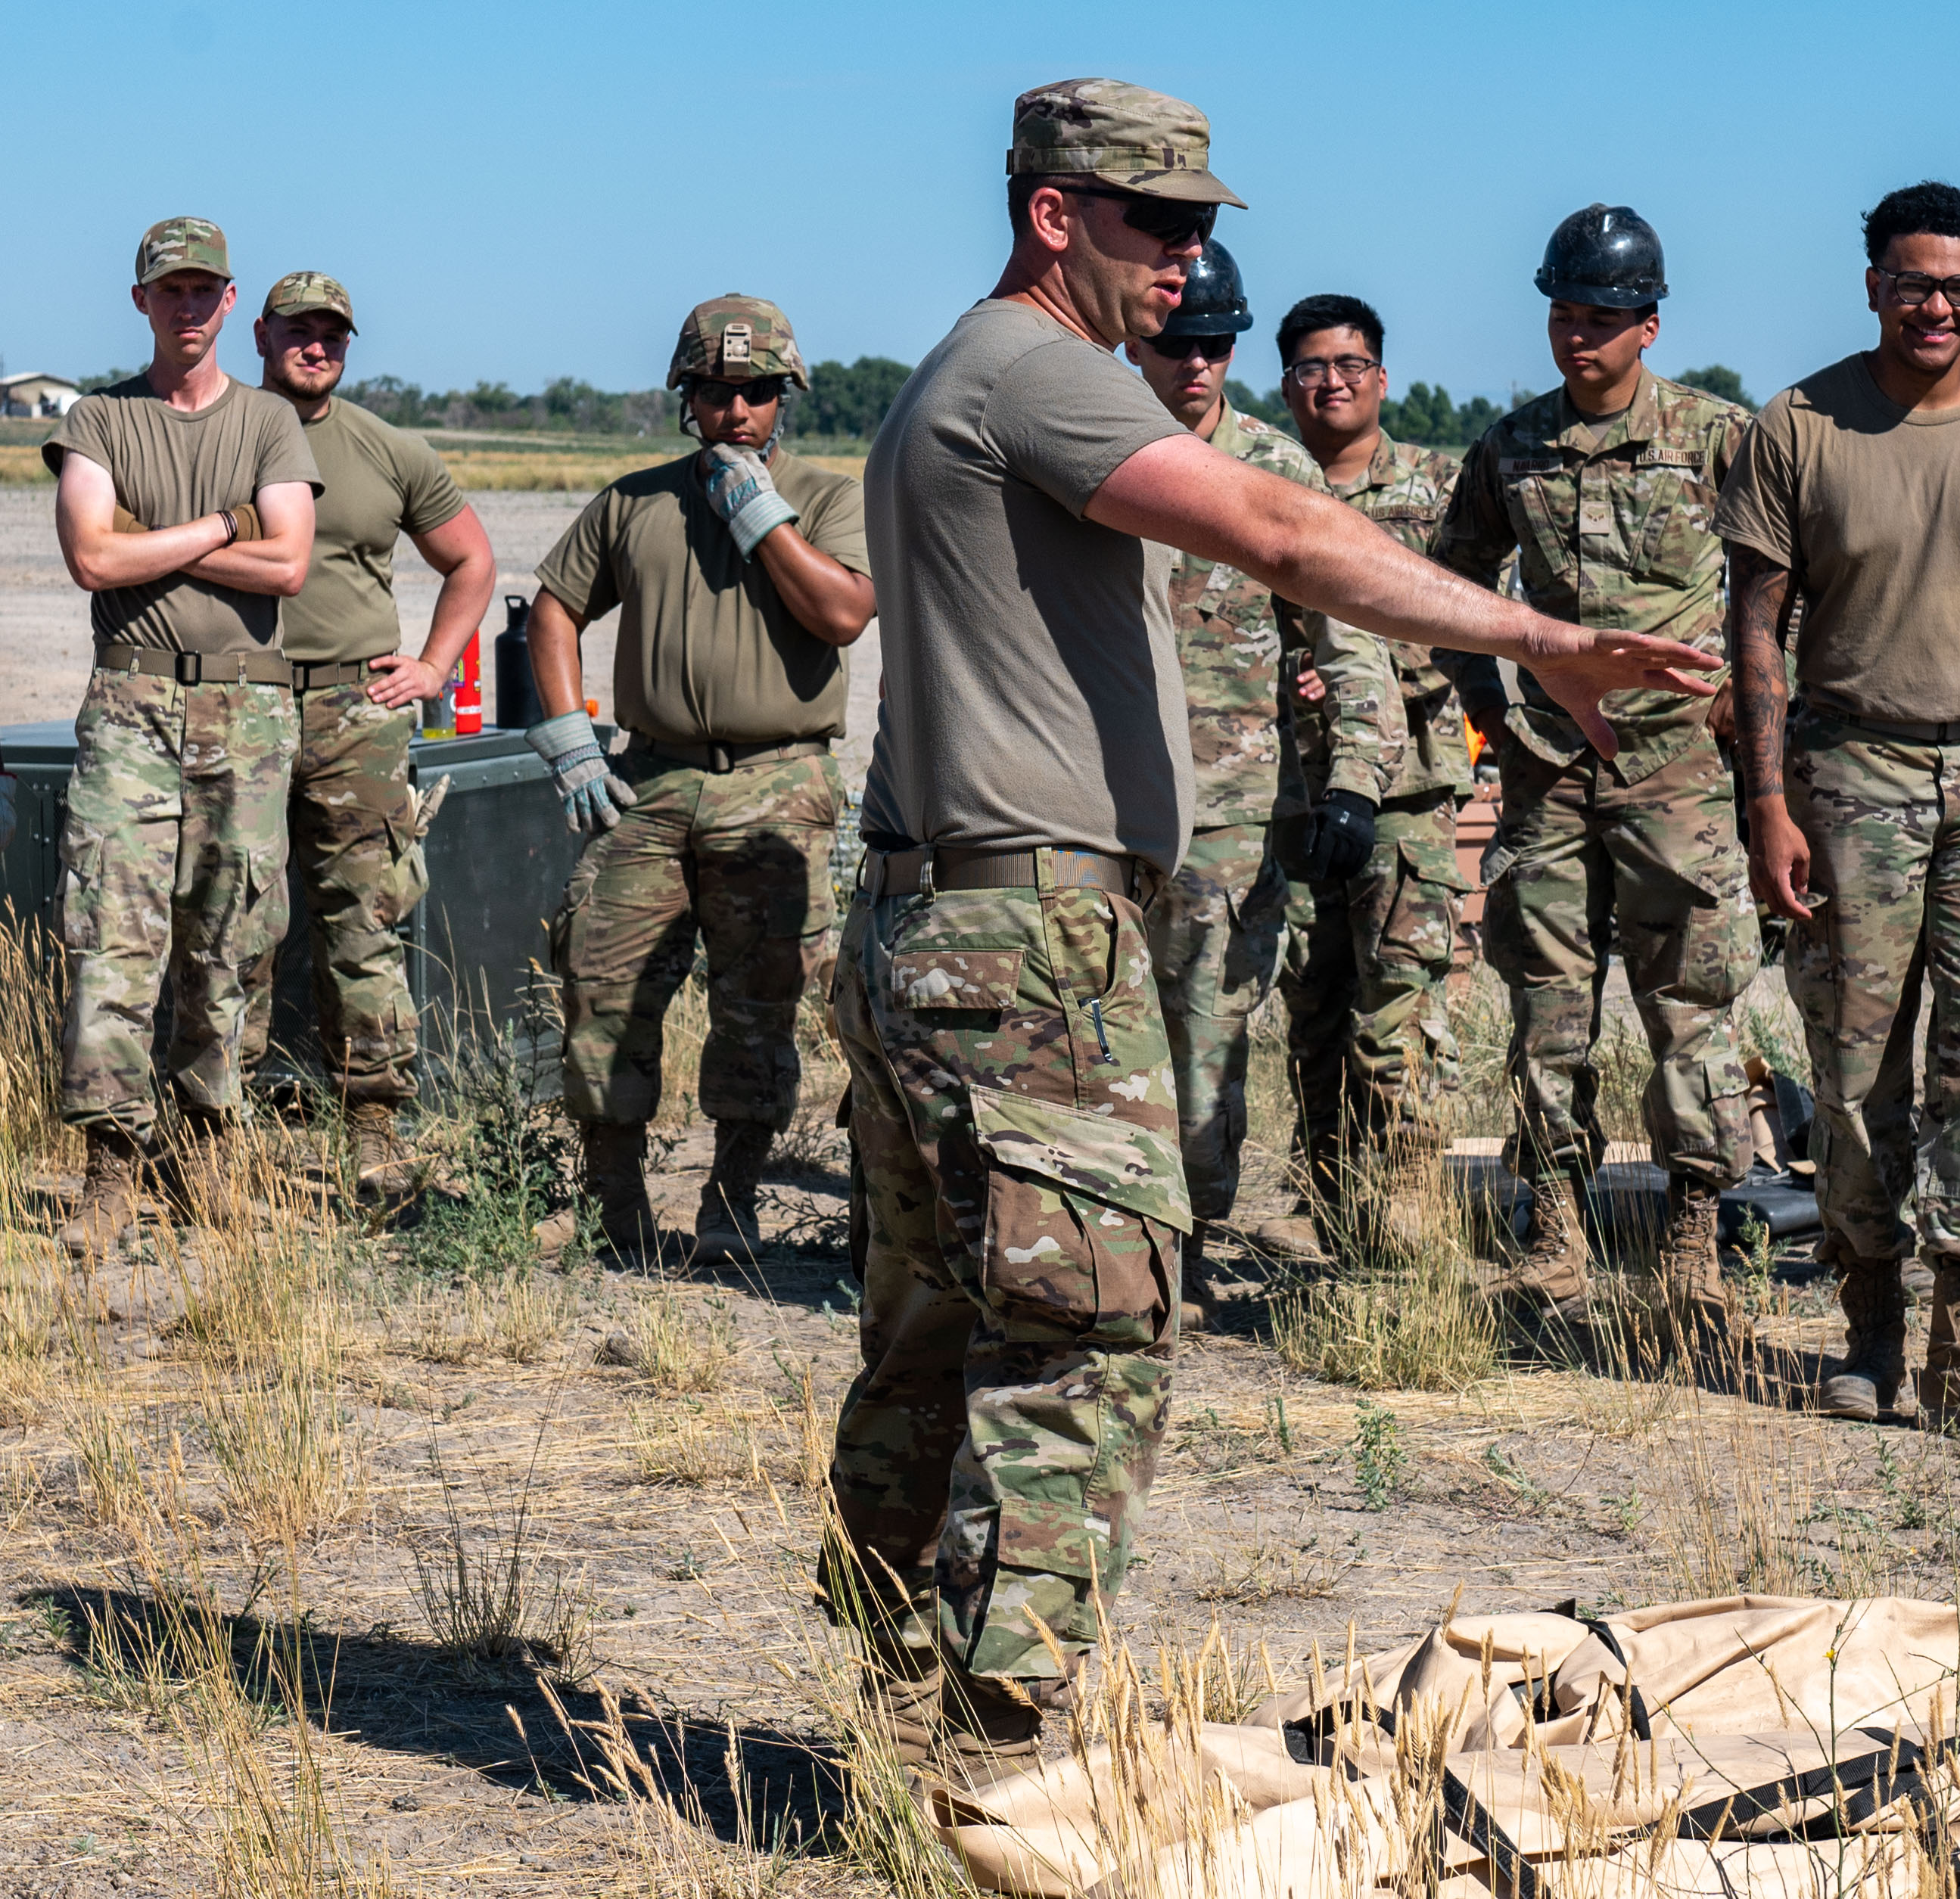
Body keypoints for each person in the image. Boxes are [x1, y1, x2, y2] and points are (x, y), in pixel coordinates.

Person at [829, 76, 1714, 1779]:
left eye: (1198, 228)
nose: (1184, 259)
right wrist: (1542, 642)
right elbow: (1287, 531)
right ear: (1051, 216)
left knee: (941, 1330)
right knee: (1086, 1336)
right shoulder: (1033, 370)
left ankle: (890, 1714)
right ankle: (992, 1754)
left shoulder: (971, 372)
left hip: (949, 921)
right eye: (1154, 223)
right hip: (1024, 945)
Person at [1718, 180, 1960, 1433]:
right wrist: (1766, 802)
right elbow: (1755, 629)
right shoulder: (1796, 426)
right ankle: (1871, 1330)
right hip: (1850, 776)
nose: (1935, 307)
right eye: (1913, 284)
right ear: (1872, 285)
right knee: (1852, 1067)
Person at [1430, 205, 1760, 1338]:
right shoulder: (1512, 446)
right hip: (1549, 767)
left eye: (1603, 318)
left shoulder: (1716, 438)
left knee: (1692, 1007)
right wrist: (1487, 711)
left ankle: (1692, 1241)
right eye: (1564, 314)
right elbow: (1453, 581)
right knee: (1547, 1006)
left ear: (1648, 325)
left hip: (1678, 770)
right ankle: (1556, 1233)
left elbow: (1787, 576)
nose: (1579, 336)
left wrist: (1749, 689)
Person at [521, 296, 874, 1266]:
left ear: (785, 397)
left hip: (776, 782)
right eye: (716, 392)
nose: (737, 412)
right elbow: (552, 611)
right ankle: (616, 1203)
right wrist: (571, 738)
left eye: (757, 393)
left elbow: (843, 613)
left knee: (759, 1004)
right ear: (687, 397)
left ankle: (731, 1198)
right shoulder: (635, 500)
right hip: (650, 779)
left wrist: (761, 517)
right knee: (602, 982)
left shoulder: (827, 498)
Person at [1118, 242, 1401, 1321]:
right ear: (1134, 339)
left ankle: (1186, 1246)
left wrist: (1355, 783)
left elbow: (1351, 629)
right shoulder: (1086, 448)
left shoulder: (1274, 471)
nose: (1195, 362)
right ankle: (1101, 1246)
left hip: (1228, 821)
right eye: (1174, 341)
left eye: (1216, 343)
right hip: (1090, 807)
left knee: (1205, 1043)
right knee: (1095, 1043)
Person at [43, 217, 319, 1253]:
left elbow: (288, 564)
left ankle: (206, 1155)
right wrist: (222, 525)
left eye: (205, 290)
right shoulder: (99, 419)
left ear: (230, 300)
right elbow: (92, 560)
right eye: (171, 290)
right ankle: (111, 1168)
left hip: (248, 710)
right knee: (111, 934)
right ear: (142, 302)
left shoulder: (269, 423)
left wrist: (151, 542)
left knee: (231, 935)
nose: (189, 306)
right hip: (132, 702)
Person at [241, 271, 497, 1199]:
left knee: (364, 922)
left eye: (333, 335)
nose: (316, 347)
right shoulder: (220, 433)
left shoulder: (388, 449)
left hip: (357, 716)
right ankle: (216, 1131)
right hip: (239, 707)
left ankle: (373, 1127)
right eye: (298, 331)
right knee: (233, 923)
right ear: (261, 336)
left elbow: (471, 560)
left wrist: (431, 667)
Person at [1267, 292, 1470, 1253]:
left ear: (1381, 378)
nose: (1331, 383)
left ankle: (1407, 1215)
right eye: (1311, 367)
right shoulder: (1256, 486)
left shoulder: (1437, 490)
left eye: (1349, 365)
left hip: (1407, 789)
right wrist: (1292, 665)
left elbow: (1468, 617)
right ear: (1285, 384)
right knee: (1311, 1006)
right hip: (1290, 788)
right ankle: (1325, 1207)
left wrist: (1362, 663)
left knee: (1397, 1006)